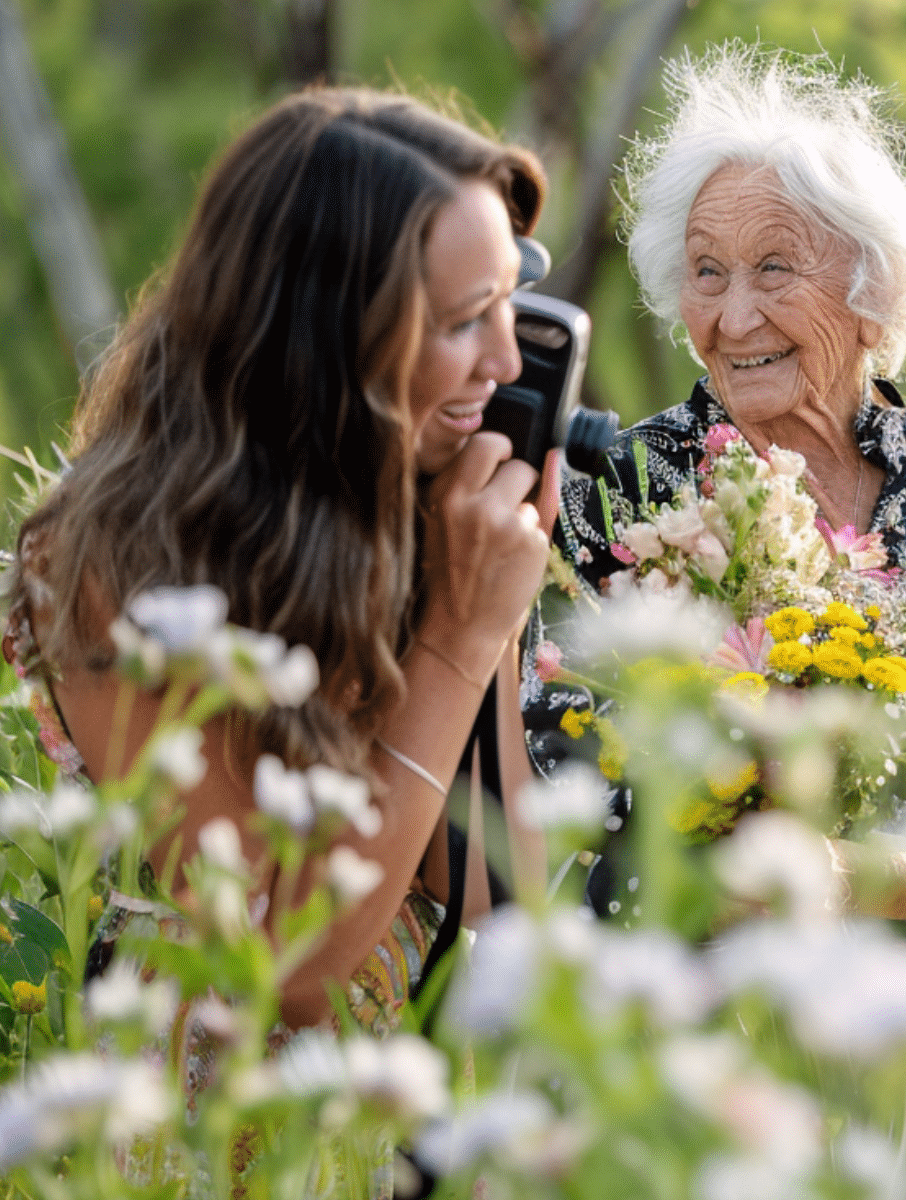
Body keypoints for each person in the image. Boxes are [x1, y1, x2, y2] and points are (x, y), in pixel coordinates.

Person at [5, 88, 557, 1046]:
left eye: (513, 300)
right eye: (467, 319)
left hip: (406, 1098)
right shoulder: (114, 561)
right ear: (332, 335)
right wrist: (459, 637)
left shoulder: (407, 509)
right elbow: (282, 968)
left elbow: (492, 886)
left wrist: (487, 614)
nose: (507, 359)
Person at [521, 44, 906, 916]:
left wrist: (837, 874)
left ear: (872, 285)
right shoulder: (614, 488)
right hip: (650, 963)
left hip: (882, 985)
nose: (734, 317)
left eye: (773, 267)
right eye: (707, 271)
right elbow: (553, 762)